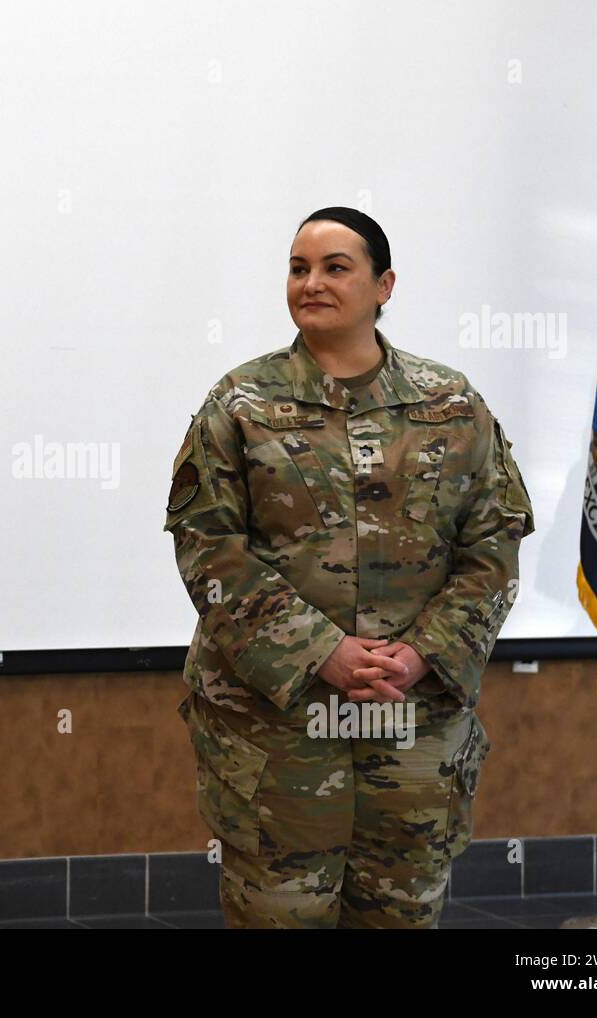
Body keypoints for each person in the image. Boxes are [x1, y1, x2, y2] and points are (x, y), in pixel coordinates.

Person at [164, 206, 535, 929]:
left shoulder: (452, 405)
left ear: (383, 285)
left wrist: (423, 653)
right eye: (299, 268)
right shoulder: (240, 402)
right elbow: (208, 546)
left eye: (336, 267)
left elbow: (494, 546)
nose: (312, 282)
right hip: (278, 738)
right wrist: (321, 652)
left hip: (413, 727)